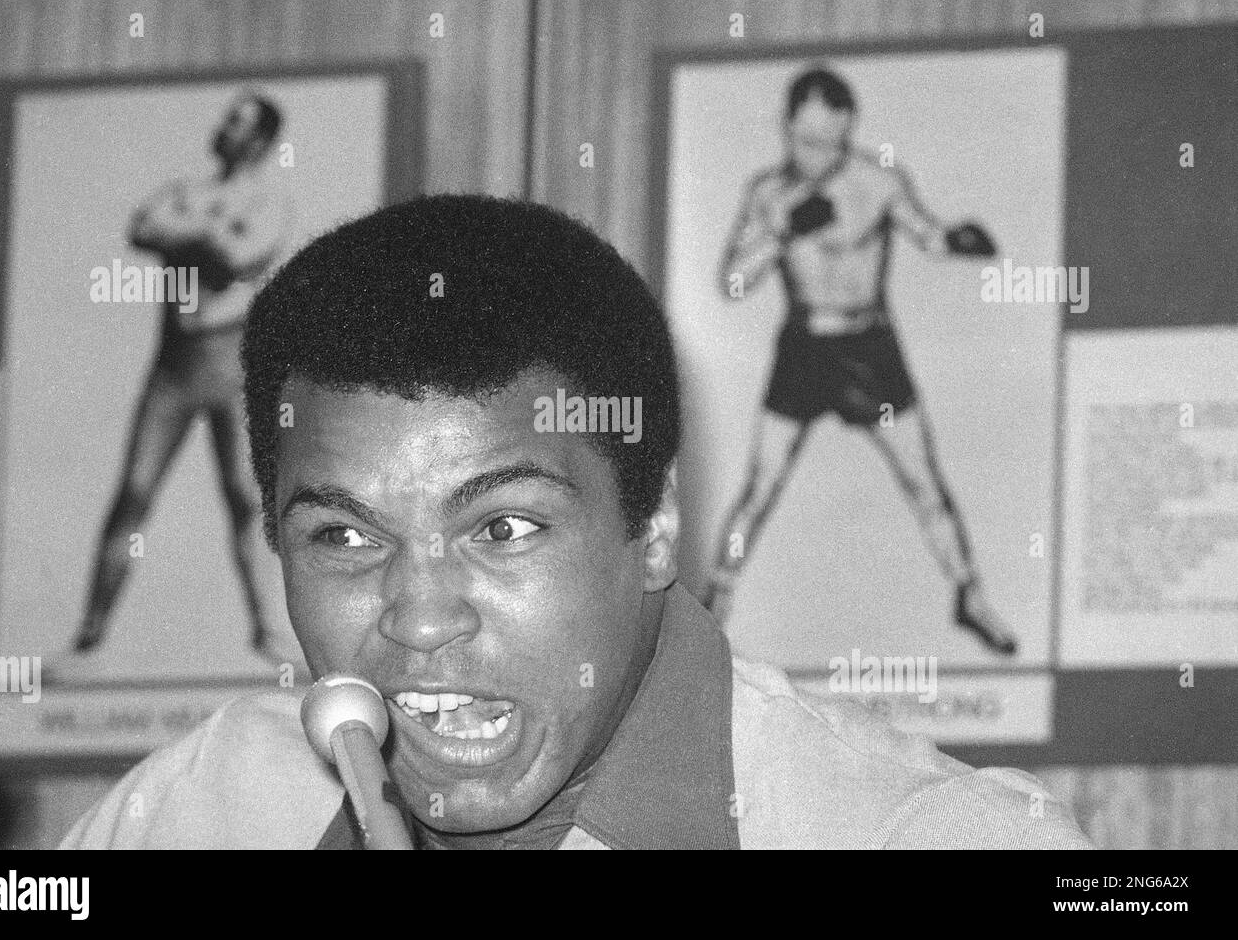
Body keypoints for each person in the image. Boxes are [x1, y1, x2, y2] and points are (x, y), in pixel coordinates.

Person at [61, 195, 1089, 849]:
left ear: (655, 524)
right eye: (345, 536)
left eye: (502, 529)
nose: (419, 621)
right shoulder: (190, 817)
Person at [703, 66, 1017, 655]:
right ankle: (714, 603)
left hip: (867, 351)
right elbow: (734, 284)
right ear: (786, 127)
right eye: (807, 142)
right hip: (803, 350)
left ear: (848, 132)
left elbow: (928, 236)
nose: (819, 156)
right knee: (760, 486)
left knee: (923, 480)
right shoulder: (768, 194)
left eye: (832, 143)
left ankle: (970, 595)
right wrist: (781, 232)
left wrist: (961, 241)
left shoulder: (877, 181)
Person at [69, 92, 293, 662]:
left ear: (262, 141)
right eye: (227, 118)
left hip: (232, 362)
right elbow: (143, 226)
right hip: (173, 365)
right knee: (134, 493)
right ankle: (91, 631)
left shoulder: (269, 200)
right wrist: (201, 232)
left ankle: (269, 632)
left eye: (240, 123)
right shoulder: (189, 190)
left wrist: (189, 235)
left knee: (245, 497)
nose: (226, 128)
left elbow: (235, 259)